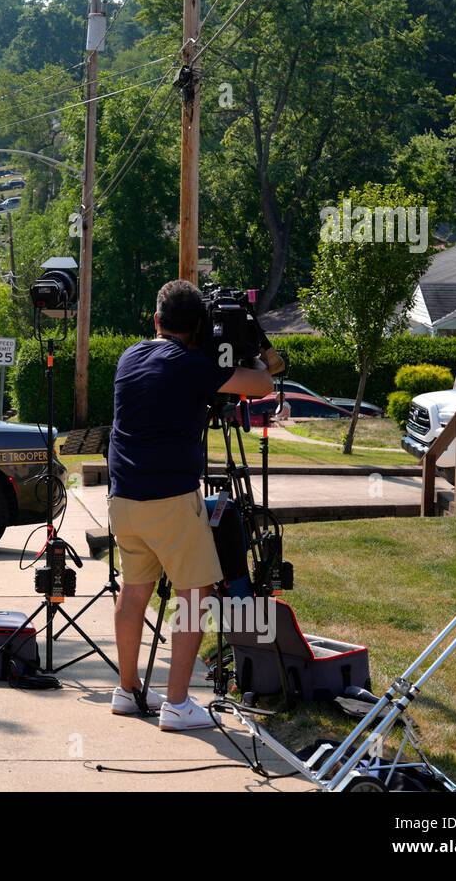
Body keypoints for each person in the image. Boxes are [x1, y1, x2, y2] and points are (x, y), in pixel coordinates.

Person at [107, 280, 275, 731]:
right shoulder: (194, 365)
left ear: (156, 320)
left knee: (134, 591)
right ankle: (178, 705)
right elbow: (261, 384)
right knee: (193, 597)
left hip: (123, 497)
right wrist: (252, 348)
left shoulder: (129, 357)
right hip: (171, 501)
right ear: (198, 326)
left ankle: (127, 690)